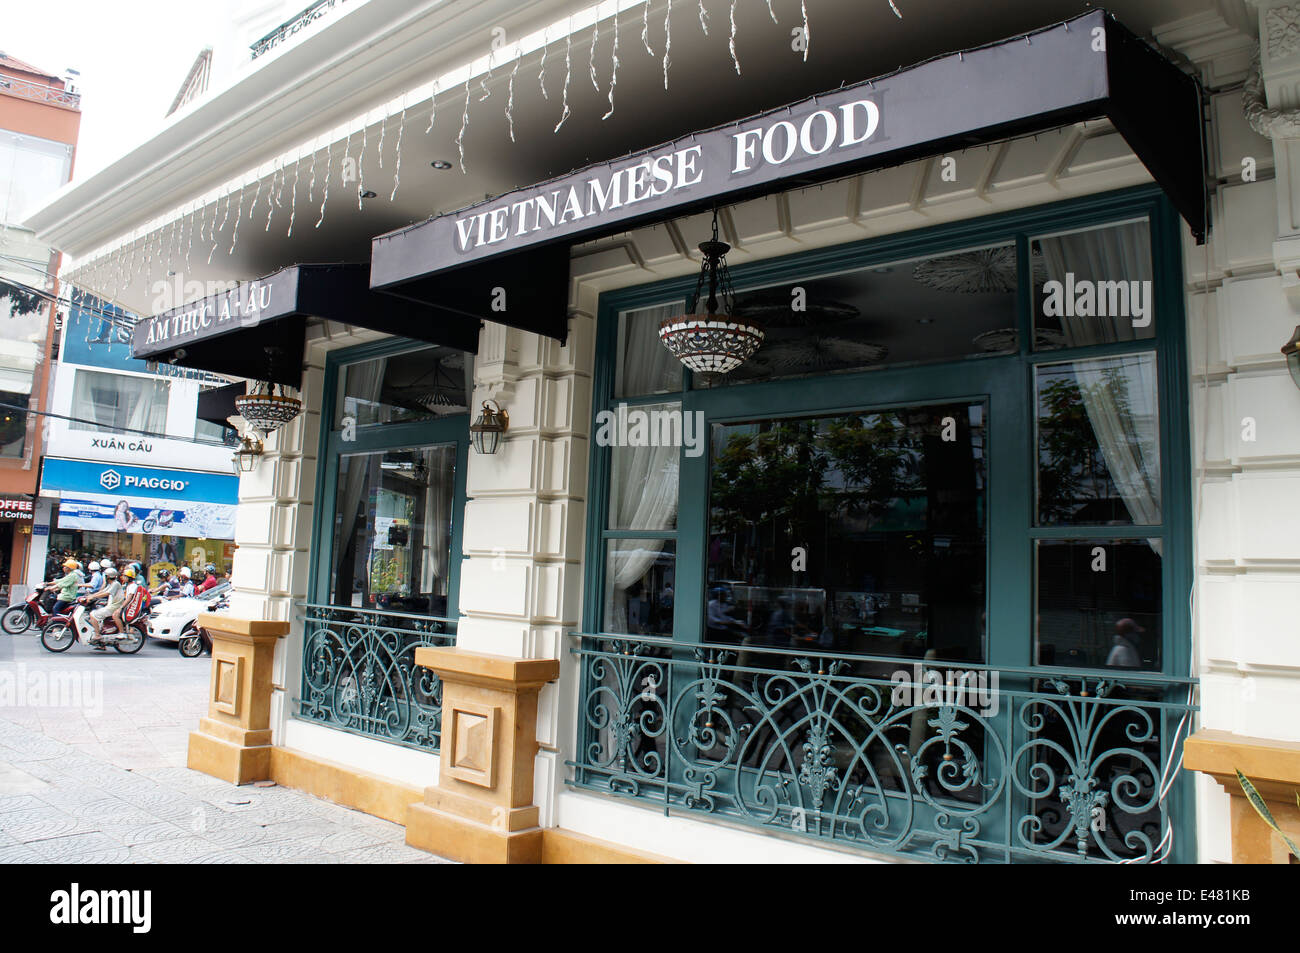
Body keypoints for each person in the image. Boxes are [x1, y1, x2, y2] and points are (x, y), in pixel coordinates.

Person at [82, 566, 123, 646]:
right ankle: (100, 631)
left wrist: (93, 597)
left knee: (93, 615)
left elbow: (107, 593)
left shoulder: (115, 584)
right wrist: (90, 596)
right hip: (111, 605)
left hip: (114, 607)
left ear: (107, 576)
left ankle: (97, 635)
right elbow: (102, 591)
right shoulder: (111, 584)